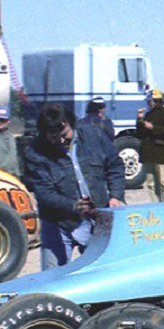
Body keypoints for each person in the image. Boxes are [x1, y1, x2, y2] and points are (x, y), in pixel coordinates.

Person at [24, 102, 125, 269]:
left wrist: (115, 195)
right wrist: (73, 206)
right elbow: (44, 193)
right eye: (54, 137)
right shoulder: (35, 153)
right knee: (53, 279)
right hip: (59, 223)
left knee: (102, 272)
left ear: (72, 124)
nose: (61, 140)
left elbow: (115, 165)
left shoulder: (95, 136)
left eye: (65, 134)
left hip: (97, 218)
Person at [135, 88, 164, 202]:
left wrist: (153, 128)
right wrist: (139, 119)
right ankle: (155, 205)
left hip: (160, 153)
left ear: (155, 100)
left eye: (150, 100)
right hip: (148, 154)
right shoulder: (148, 114)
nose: (148, 102)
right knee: (151, 183)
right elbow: (139, 134)